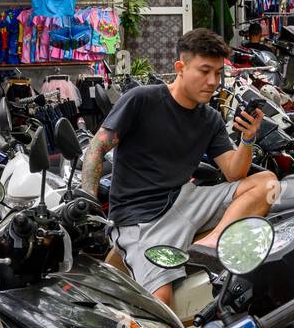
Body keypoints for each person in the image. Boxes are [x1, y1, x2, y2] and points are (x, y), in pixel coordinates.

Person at [81, 28, 278, 307]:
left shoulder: (209, 118)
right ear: (180, 68)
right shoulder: (141, 100)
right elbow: (97, 148)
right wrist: (88, 197)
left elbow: (235, 173)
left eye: (219, 73)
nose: (213, 81)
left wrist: (247, 139)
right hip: (142, 217)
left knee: (268, 183)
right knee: (162, 305)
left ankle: (209, 248)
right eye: (204, 71)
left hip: (187, 199)